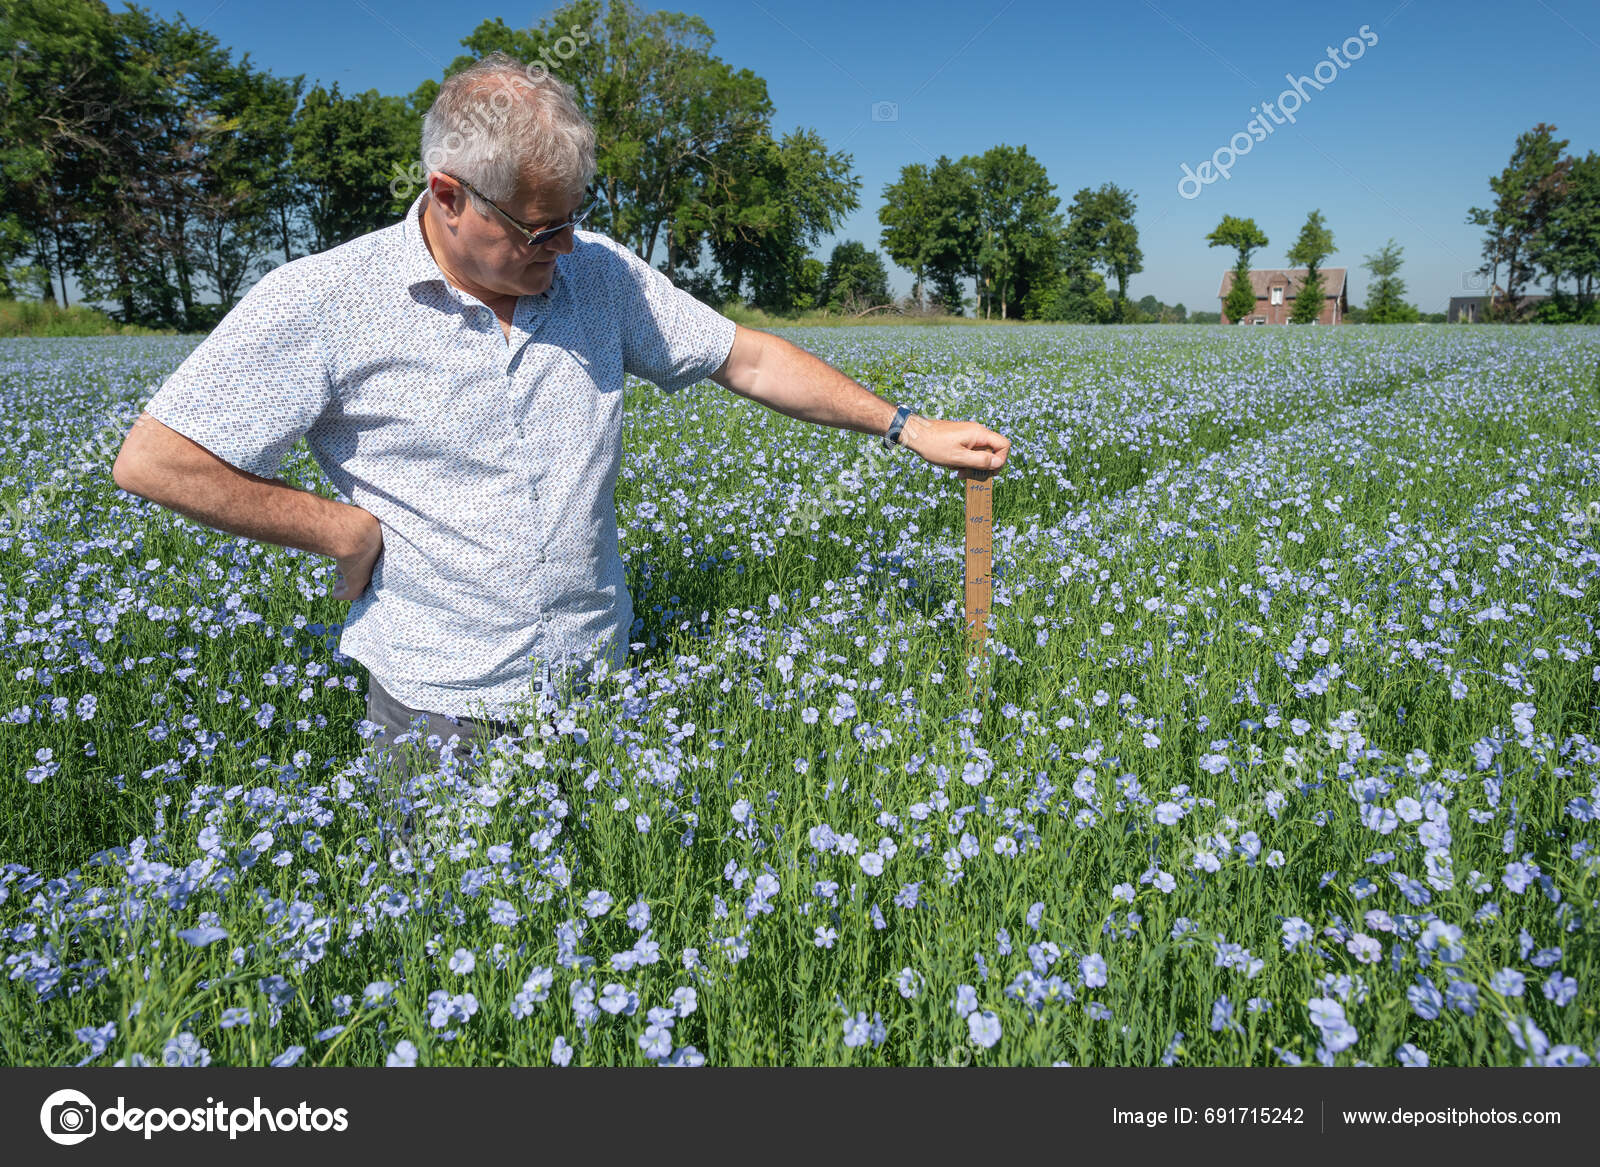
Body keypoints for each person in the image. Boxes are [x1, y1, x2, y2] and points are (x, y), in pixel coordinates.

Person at [111, 51, 1010, 805]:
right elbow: (156, 459)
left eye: (574, 220)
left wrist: (905, 425)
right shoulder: (324, 301)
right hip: (440, 709)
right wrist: (338, 528)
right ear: (448, 195)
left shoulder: (601, 277)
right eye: (541, 231)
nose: (566, 249)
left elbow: (751, 359)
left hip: (593, 689)